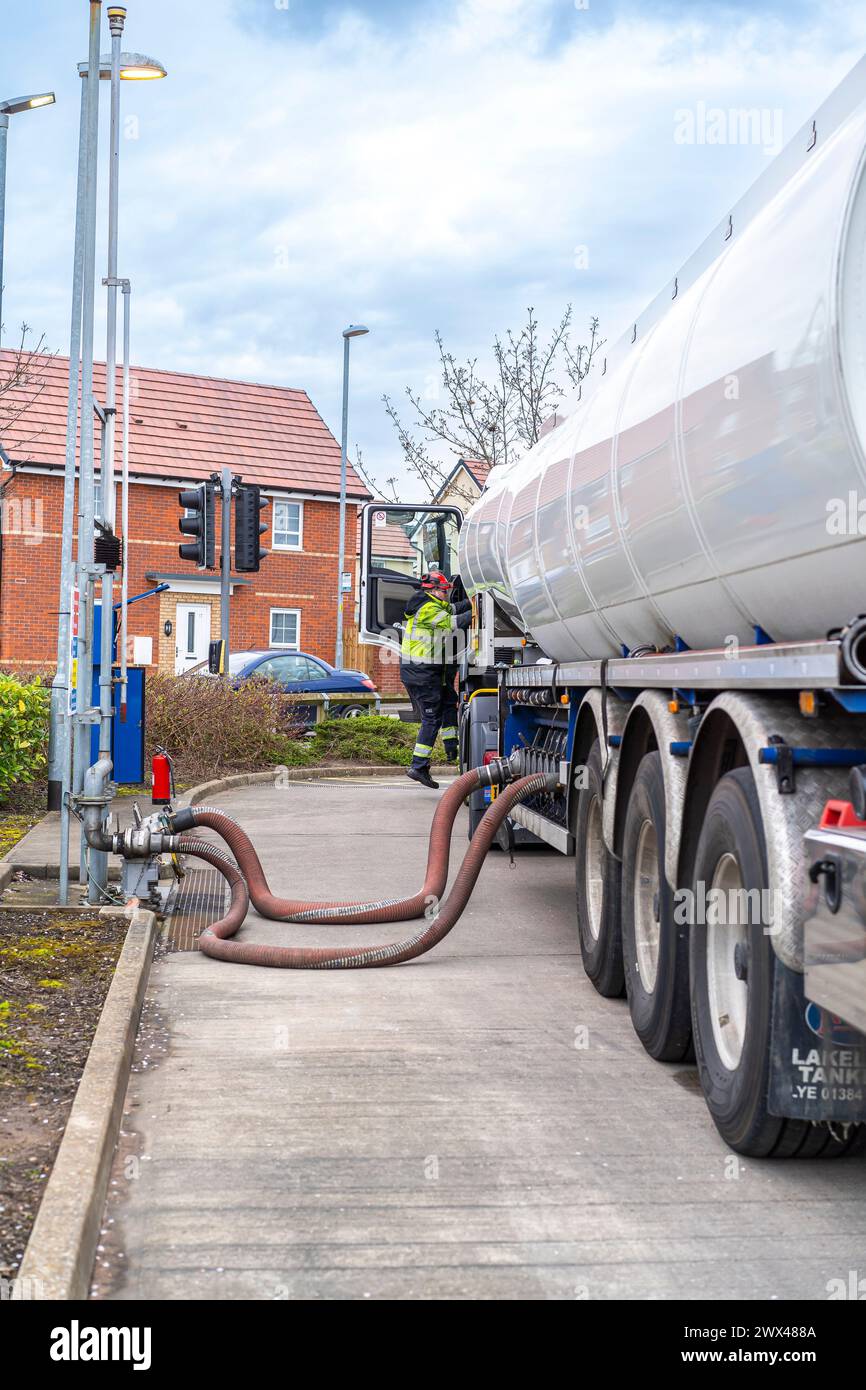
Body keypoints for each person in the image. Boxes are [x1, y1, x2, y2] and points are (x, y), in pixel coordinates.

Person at [400, 571, 472, 789]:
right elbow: (455, 621)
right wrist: (480, 608)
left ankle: (451, 747)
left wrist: (473, 600)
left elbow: (455, 608)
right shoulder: (428, 608)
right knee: (431, 719)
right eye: (443, 590)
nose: (446, 594)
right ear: (432, 589)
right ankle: (418, 766)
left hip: (425, 673)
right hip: (421, 674)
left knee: (448, 700)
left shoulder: (434, 603)